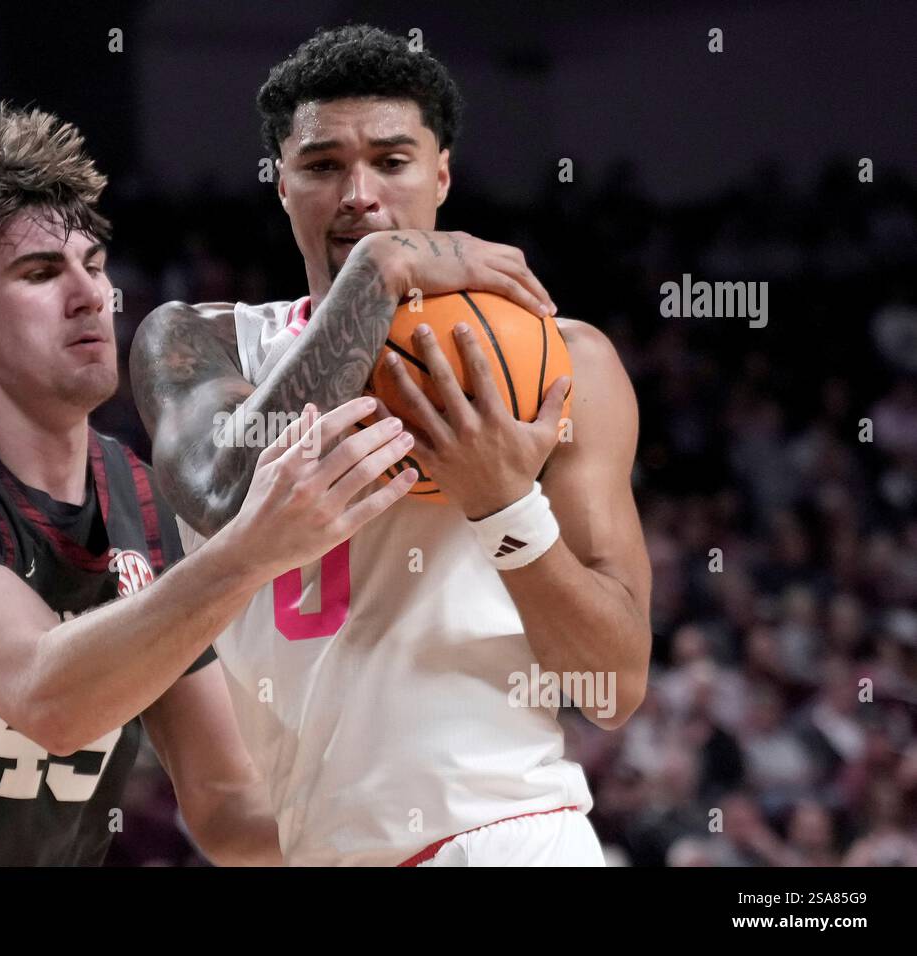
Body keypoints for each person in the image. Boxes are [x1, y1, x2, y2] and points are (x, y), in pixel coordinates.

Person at [0, 93, 413, 866]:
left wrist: (400, 841)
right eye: (40, 272)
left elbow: (227, 805)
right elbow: (46, 699)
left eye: (93, 266)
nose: (89, 293)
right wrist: (250, 551)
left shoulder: (142, 500)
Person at [132, 25, 652, 866]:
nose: (359, 194)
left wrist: (505, 506)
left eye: (392, 160)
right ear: (282, 184)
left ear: (441, 174)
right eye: (323, 164)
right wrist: (380, 274)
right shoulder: (200, 342)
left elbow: (615, 685)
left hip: (508, 836)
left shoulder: (566, 361)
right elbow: (221, 491)